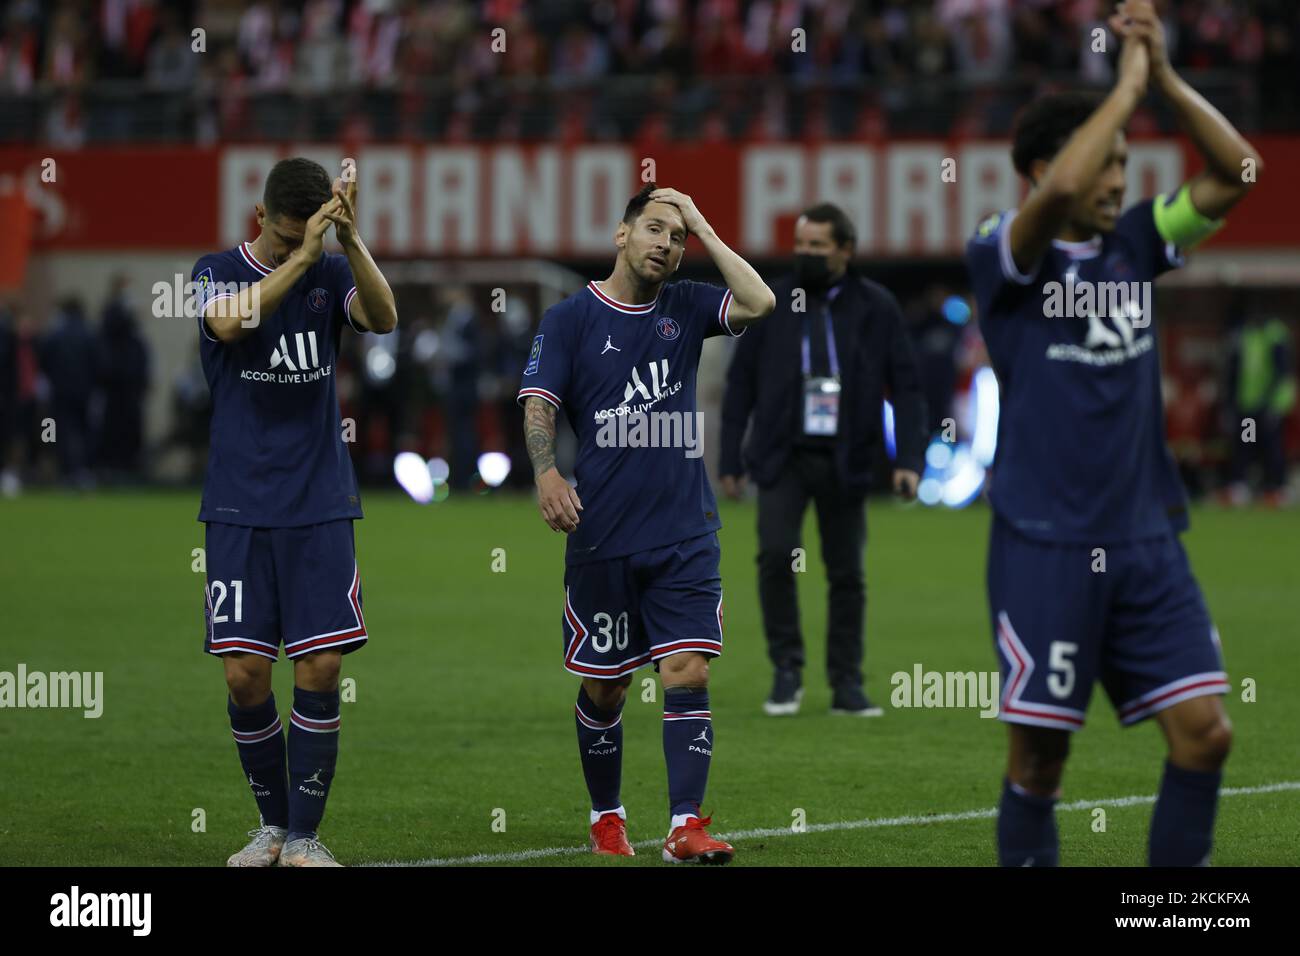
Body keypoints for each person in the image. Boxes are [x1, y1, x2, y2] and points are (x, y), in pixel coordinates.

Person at [965, 1, 1260, 866]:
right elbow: (1058, 195)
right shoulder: (1002, 254)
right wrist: (1126, 82)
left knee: (1206, 734)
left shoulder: (1139, 243)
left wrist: (1163, 76)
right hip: (1044, 543)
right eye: (1106, 164)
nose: (1117, 181)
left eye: (1127, 165)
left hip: (1147, 538)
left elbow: (1240, 170)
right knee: (1041, 761)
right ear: (1041, 167)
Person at [519, 182, 774, 863]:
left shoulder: (687, 306)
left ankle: (685, 827)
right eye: (657, 228)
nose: (668, 243)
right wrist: (546, 472)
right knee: (606, 686)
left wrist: (707, 226)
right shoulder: (570, 319)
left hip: (685, 531)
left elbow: (760, 301)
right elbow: (539, 406)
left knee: (687, 670)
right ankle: (607, 816)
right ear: (621, 234)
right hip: (601, 534)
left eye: (678, 236)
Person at [192, 157, 398, 867]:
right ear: (260, 216)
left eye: (299, 238)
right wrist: (299, 256)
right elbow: (227, 323)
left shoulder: (330, 271)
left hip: (317, 504)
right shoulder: (217, 268)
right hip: (239, 504)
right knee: (245, 674)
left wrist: (348, 243)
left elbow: (383, 316)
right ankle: (272, 827)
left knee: (319, 666)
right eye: (282, 237)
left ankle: (307, 837)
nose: (289, 248)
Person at [719, 203, 926, 717]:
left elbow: (907, 385)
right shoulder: (769, 299)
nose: (805, 254)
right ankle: (787, 671)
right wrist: (730, 456)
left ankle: (847, 683)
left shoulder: (876, 305)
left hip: (847, 453)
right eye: (800, 244)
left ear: (845, 250)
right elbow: (740, 382)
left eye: (817, 245)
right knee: (774, 557)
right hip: (782, 453)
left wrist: (910, 459)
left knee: (847, 573)